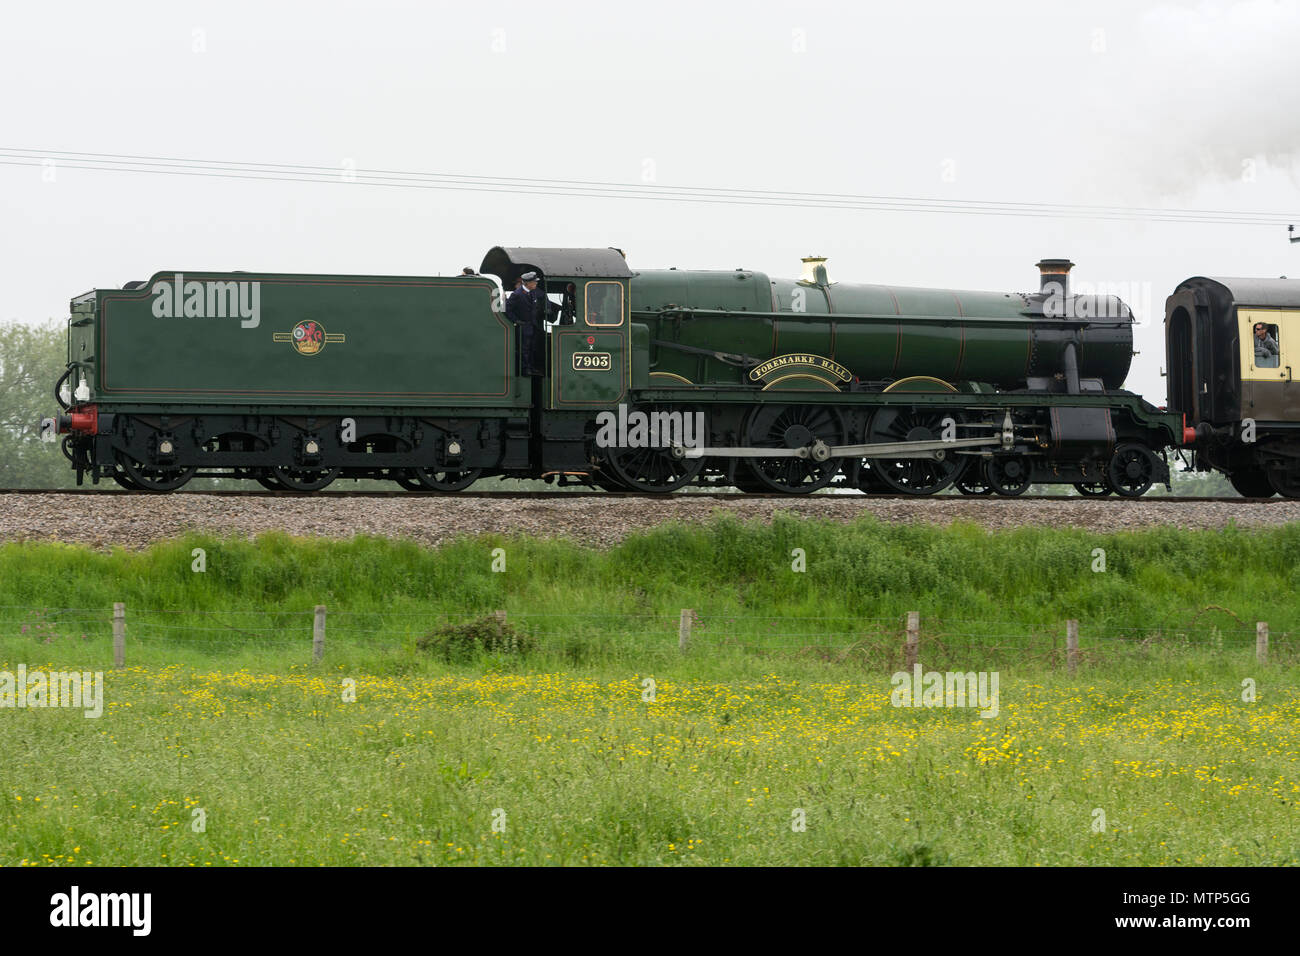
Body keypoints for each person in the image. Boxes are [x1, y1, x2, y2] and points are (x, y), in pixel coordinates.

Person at [508, 272, 542, 375]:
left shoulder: (533, 292)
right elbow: (507, 309)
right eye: (534, 282)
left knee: (532, 347)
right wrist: (516, 320)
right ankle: (525, 368)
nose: (536, 283)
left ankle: (531, 367)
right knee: (524, 348)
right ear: (528, 283)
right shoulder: (516, 294)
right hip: (523, 326)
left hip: (533, 325)